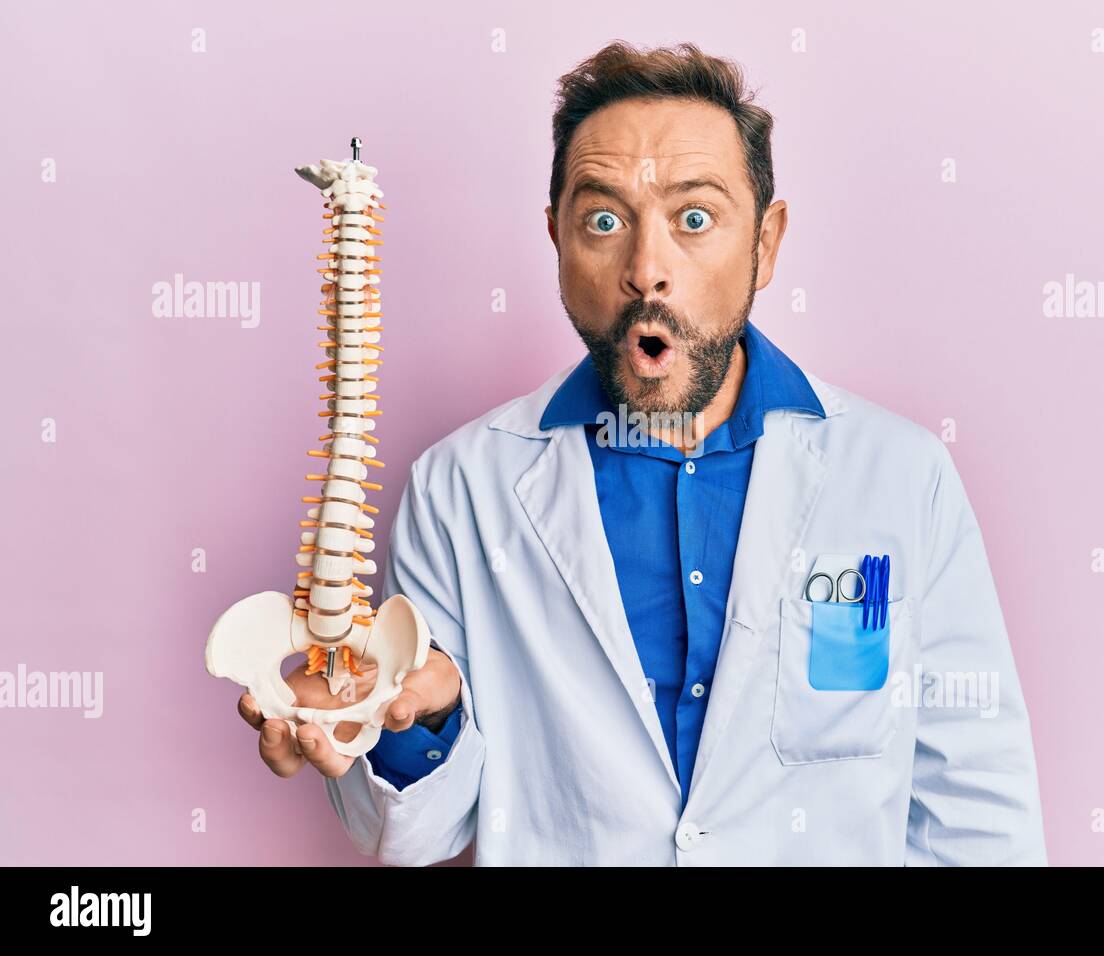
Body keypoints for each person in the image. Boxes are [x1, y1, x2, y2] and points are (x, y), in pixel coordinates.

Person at [236, 40, 1048, 866]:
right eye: (603, 221)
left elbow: (977, 811)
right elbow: (407, 833)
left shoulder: (903, 478)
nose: (647, 270)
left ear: (766, 243)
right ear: (555, 239)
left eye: (695, 219)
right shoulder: (461, 488)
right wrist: (425, 721)